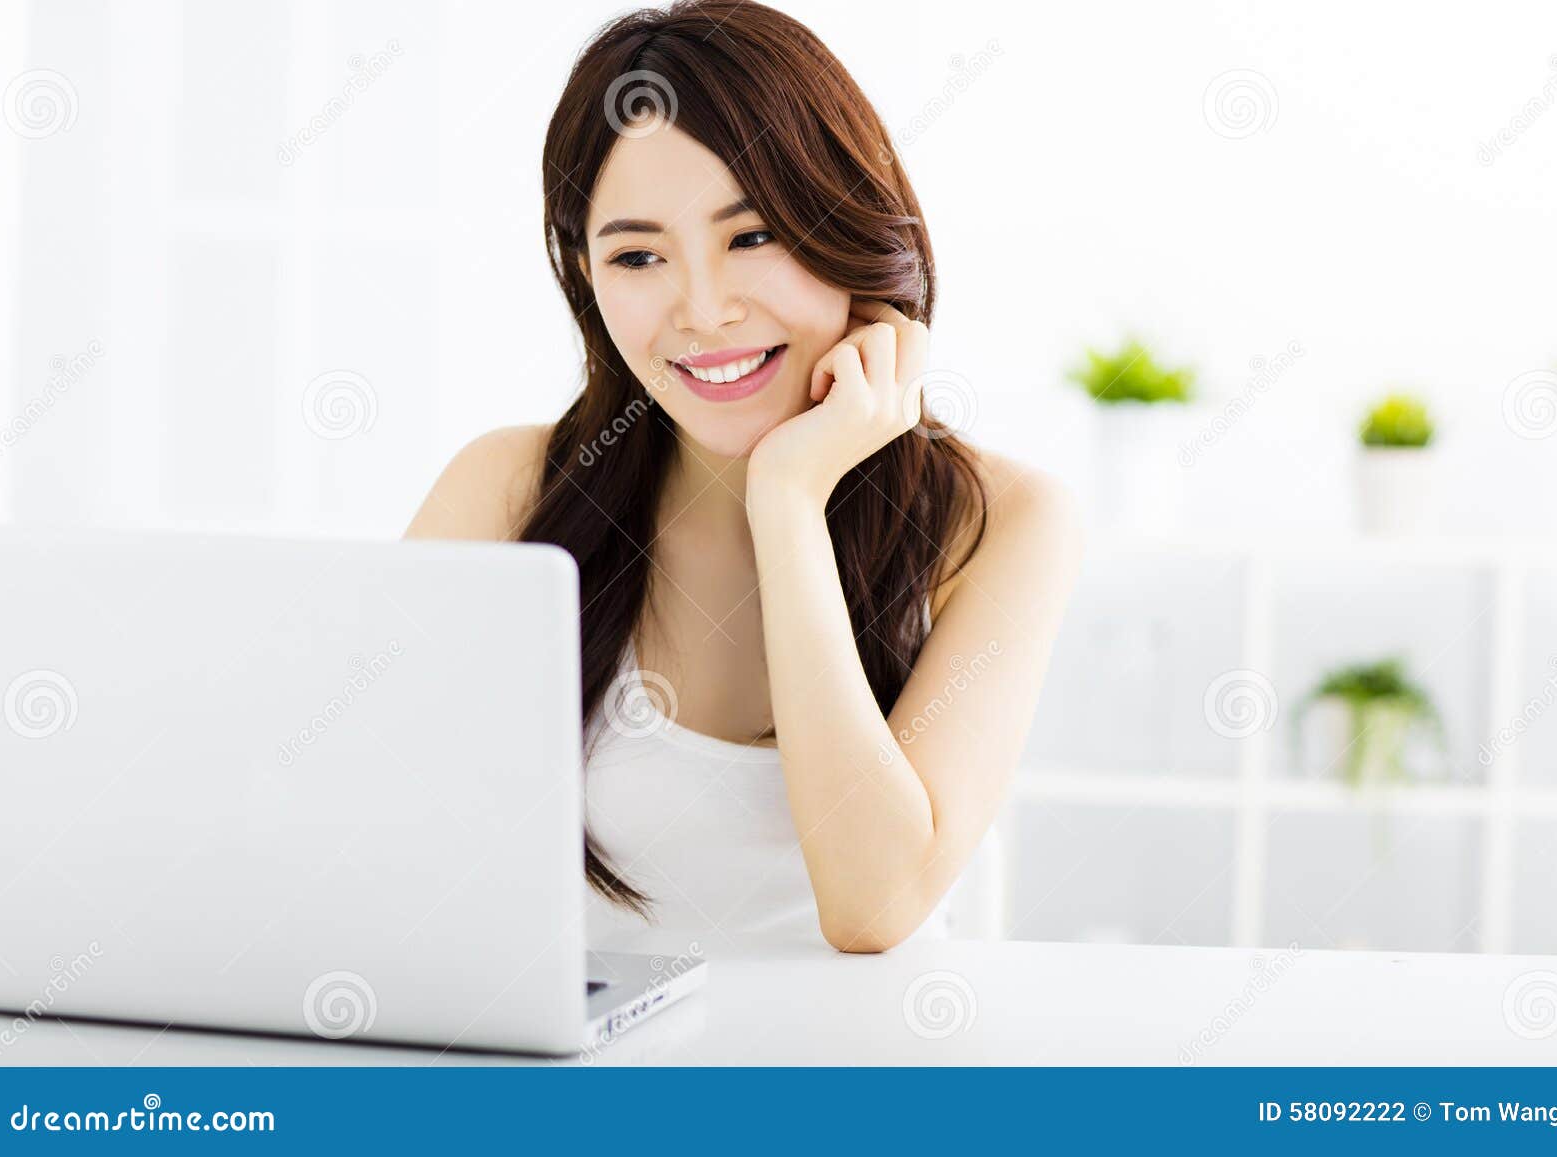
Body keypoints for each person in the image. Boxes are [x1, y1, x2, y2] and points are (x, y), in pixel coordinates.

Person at [406, 0, 1083, 956]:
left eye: (753, 235)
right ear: (586, 278)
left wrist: (791, 500)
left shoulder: (1002, 521)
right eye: (639, 255)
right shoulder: (509, 491)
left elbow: (873, 903)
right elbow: (370, 842)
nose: (706, 309)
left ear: (847, 228)